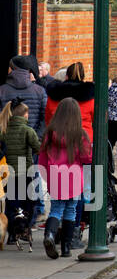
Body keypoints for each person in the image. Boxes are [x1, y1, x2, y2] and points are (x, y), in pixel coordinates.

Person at [38, 98, 92, 259]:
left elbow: (42, 158)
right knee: (71, 210)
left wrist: (47, 175)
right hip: (74, 176)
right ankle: (66, 247)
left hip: (56, 175)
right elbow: (86, 158)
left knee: (56, 209)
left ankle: (49, 235)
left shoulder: (50, 133)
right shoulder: (80, 134)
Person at [2, 101, 39, 245]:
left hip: (8, 173)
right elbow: (37, 147)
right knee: (26, 203)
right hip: (25, 172)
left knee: (12, 203)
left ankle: (12, 233)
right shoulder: (27, 130)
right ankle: (22, 228)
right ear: (24, 115)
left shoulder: (4, 130)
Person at [45, 61, 94, 143]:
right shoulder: (89, 97)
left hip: (58, 136)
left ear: (66, 76)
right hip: (83, 137)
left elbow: (48, 118)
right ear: (82, 77)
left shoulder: (54, 94)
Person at [1, 55, 47, 140]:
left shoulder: (2, 91)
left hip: (8, 144)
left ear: (12, 69)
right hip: (33, 143)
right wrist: (37, 138)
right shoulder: (40, 91)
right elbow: (45, 118)